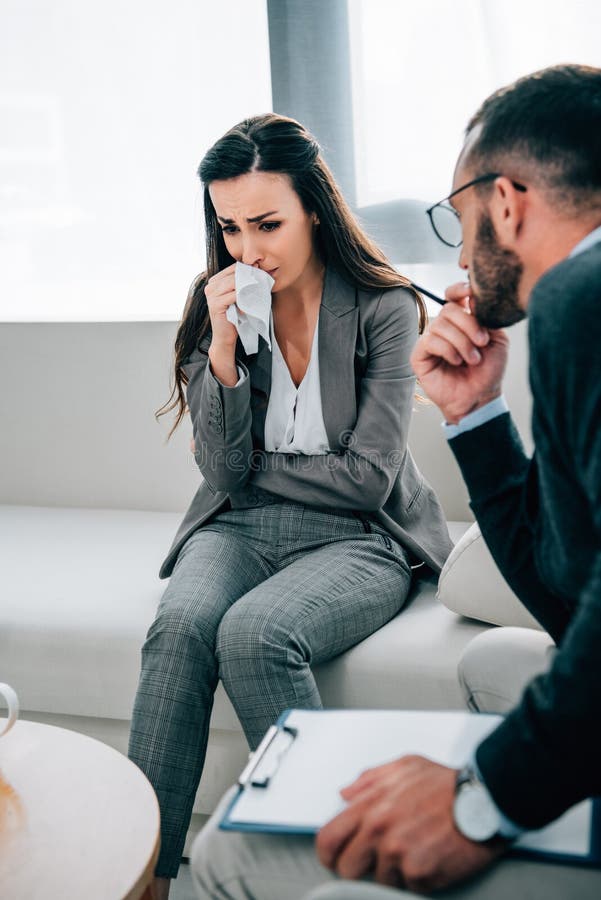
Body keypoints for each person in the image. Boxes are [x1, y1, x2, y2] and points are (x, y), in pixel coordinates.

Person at [189, 65, 601, 899]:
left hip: (366, 552)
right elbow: (567, 597)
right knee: (497, 655)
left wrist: (478, 806)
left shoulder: (578, 299)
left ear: (507, 201)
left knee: (226, 857)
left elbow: (361, 480)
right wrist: (474, 418)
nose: (461, 246)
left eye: (459, 217)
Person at [127, 112, 452, 899]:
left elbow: (365, 481)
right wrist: (223, 355)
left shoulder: (384, 308)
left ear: (314, 207)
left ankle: (321, 875)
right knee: (177, 629)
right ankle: (142, 880)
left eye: (265, 224)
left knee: (256, 633)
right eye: (229, 226)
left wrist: (254, 470)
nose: (246, 249)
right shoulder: (223, 305)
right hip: (236, 530)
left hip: (360, 538)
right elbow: (221, 469)